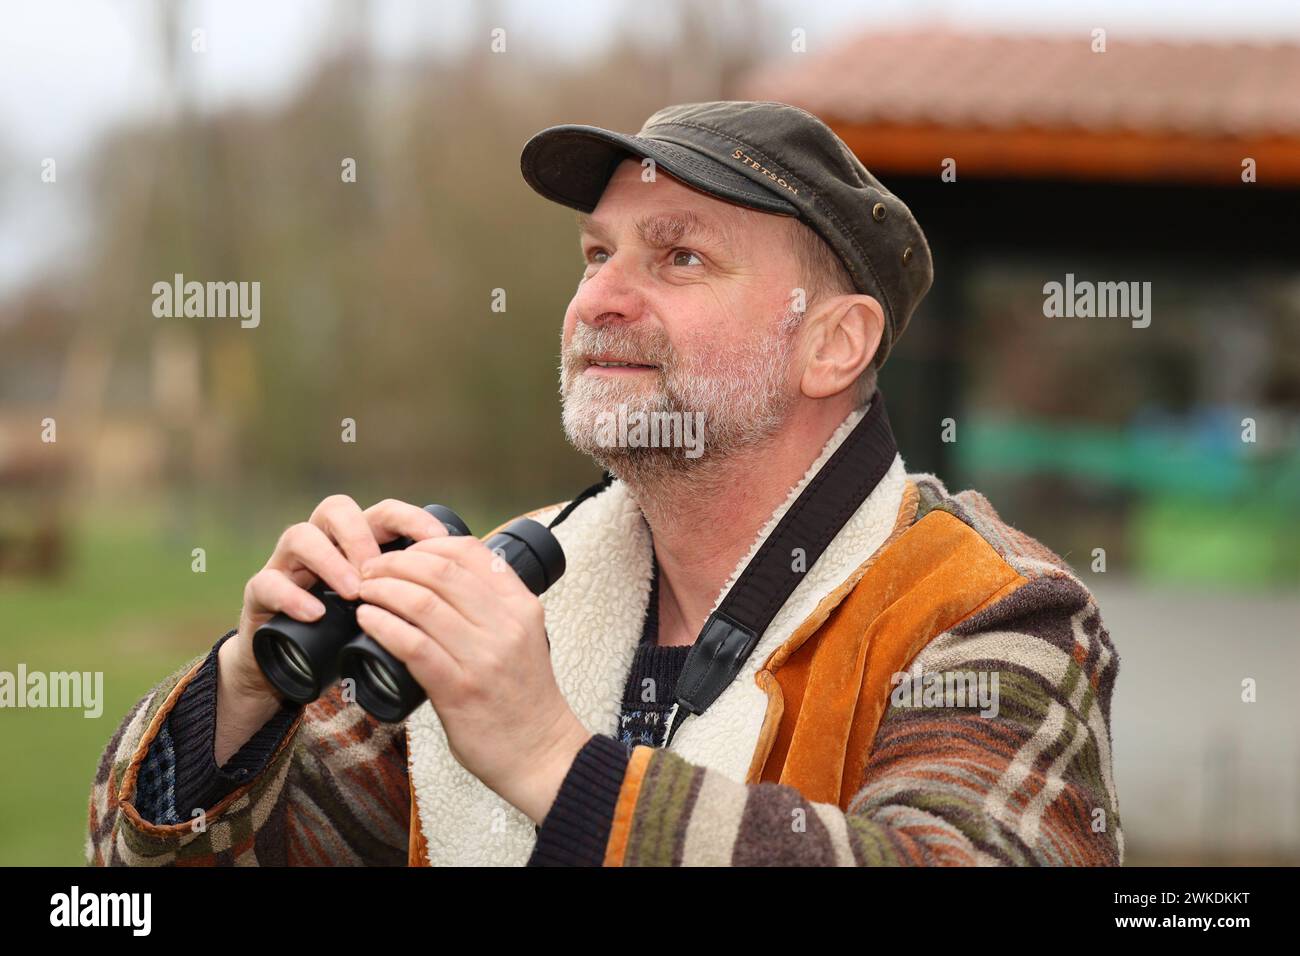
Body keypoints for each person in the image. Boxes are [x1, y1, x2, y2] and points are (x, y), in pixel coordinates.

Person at [87, 100, 1122, 867]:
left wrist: (548, 757)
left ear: (832, 344)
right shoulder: (529, 576)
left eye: (679, 258)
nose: (597, 300)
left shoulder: (990, 608)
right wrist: (247, 691)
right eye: (595, 253)